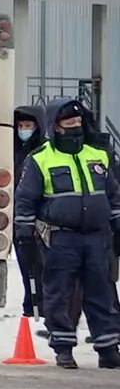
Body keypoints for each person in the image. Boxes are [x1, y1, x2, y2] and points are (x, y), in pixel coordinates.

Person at [14, 99, 120, 370]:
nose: (75, 127)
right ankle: (63, 348)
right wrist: (24, 232)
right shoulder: (39, 159)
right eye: (68, 124)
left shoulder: (97, 155)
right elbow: (26, 199)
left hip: (96, 238)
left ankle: (108, 348)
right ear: (55, 126)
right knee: (58, 294)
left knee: (103, 293)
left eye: (78, 123)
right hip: (61, 239)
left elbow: (113, 196)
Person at [13, 105, 45, 318]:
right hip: (18, 216)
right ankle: (30, 302)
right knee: (26, 265)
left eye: (28, 126)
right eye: (21, 126)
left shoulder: (43, 151)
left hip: (39, 217)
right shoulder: (13, 150)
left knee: (40, 265)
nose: (23, 129)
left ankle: (40, 304)